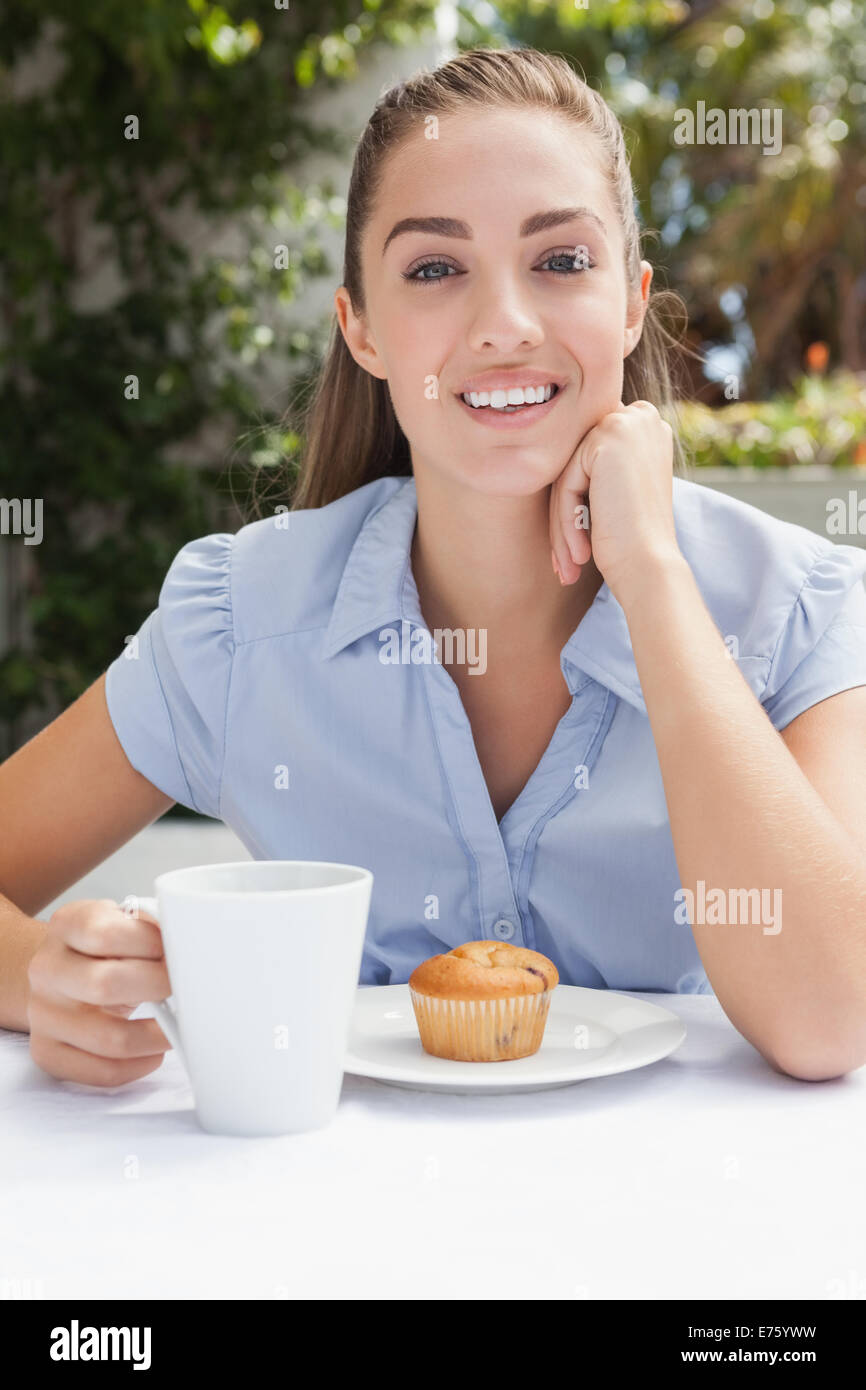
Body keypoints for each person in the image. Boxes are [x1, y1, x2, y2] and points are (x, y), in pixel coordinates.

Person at [3, 48, 866, 1088]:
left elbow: (827, 1020)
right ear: (359, 326)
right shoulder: (242, 623)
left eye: (559, 261)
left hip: (686, 1234)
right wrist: (39, 973)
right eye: (432, 269)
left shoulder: (798, 607)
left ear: (631, 301)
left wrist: (651, 576)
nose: (504, 323)